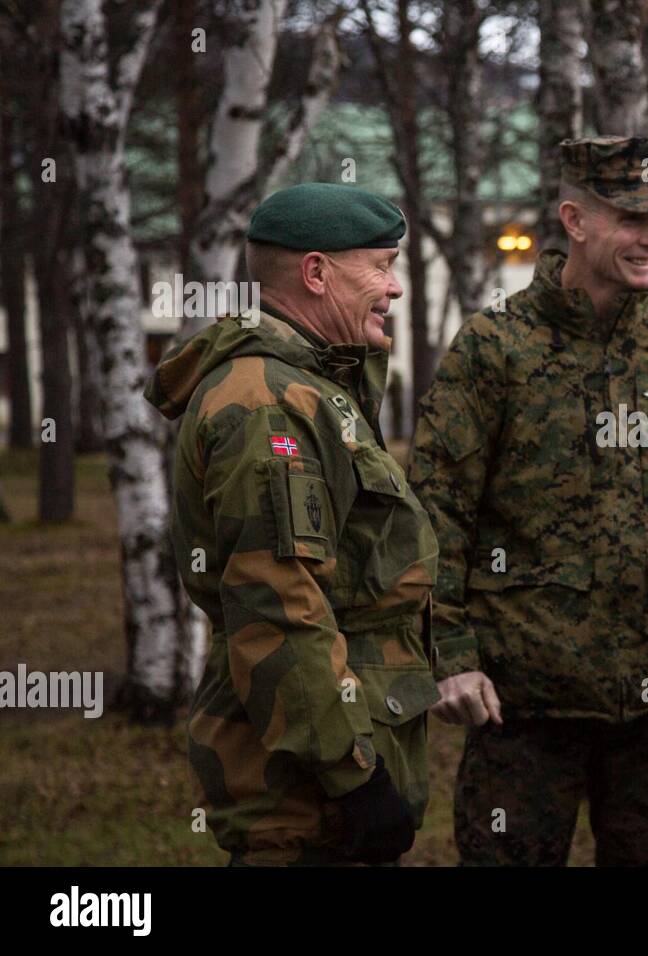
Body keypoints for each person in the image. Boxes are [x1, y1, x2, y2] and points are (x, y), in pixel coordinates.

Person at [407, 135, 648, 866]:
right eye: (632, 221)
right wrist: (448, 653)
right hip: (522, 705)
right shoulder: (496, 349)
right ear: (575, 221)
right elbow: (435, 511)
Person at [145, 183, 439, 866]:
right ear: (316, 273)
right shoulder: (267, 405)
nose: (393, 288)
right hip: (304, 799)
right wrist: (355, 776)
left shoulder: (313, 385)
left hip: (323, 781)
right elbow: (278, 607)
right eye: (381, 266)